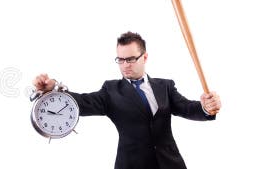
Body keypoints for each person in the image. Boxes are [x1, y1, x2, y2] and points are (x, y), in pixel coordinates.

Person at [33, 32, 222, 169]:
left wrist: (207, 107)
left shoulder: (165, 86)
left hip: (170, 164)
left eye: (130, 59)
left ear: (145, 57)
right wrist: (53, 90)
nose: (125, 66)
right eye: (120, 60)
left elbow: (188, 108)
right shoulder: (111, 91)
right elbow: (81, 102)